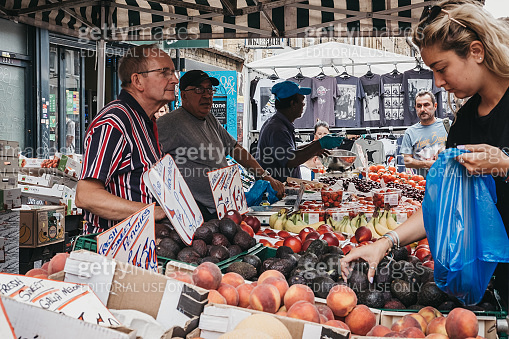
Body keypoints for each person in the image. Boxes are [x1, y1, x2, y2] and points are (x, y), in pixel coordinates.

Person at [340, 0, 509, 305]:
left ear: (476, 52)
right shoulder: (464, 125)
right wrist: (385, 242)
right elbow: (439, 205)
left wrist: (505, 164)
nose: (439, 83)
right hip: (494, 283)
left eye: (441, 68)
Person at [75, 44, 178, 234]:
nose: (175, 79)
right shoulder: (114, 123)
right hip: (115, 252)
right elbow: (86, 196)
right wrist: (153, 212)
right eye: (164, 72)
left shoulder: (146, 120)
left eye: (173, 72)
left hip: (145, 246)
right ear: (138, 81)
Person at [157, 70, 285, 221]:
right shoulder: (169, 123)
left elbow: (235, 148)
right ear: (184, 95)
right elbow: (150, 164)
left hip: (225, 208)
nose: (207, 95)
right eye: (199, 90)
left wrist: (264, 176)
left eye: (210, 90)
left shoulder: (209, 118)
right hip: (198, 213)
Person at [256, 80, 345, 182]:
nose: (303, 105)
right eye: (302, 101)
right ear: (293, 103)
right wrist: (319, 144)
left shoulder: (280, 124)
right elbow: (290, 160)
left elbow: (289, 151)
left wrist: (314, 148)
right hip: (277, 192)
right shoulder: (277, 129)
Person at [401, 90, 448, 177]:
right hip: (422, 185)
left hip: (449, 182)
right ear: (415, 108)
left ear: (435, 106)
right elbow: (407, 161)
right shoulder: (410, 132)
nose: (422, 109)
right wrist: (426, 164)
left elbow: (461, 150)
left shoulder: (448, 126)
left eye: (426, 105)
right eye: (419, 106)